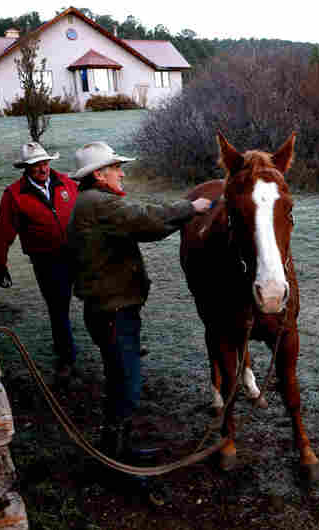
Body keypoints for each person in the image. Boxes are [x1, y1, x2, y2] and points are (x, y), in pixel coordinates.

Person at [66, 141, 211, 495]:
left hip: (112, 310)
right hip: (113, 312)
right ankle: (116, 466)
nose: (122, 172)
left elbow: (150, 227)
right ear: (99, 174)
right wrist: (191, 208)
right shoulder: (98, 203)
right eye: (116, 167)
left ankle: (118, 450)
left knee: (121, 382)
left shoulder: (91, 203)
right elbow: (147, 221)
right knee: (126, 387)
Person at [0, 142, 78, 382]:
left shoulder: (68, 183)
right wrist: (0, 265)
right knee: (59, 311)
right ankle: (66, 359)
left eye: (45, 163)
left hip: (79, 254)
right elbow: (3, 232)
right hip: (47, 262)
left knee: (98, 299)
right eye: (36, 165)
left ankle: (116, 348)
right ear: (26, 168)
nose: (43, 169)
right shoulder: (14, 195)